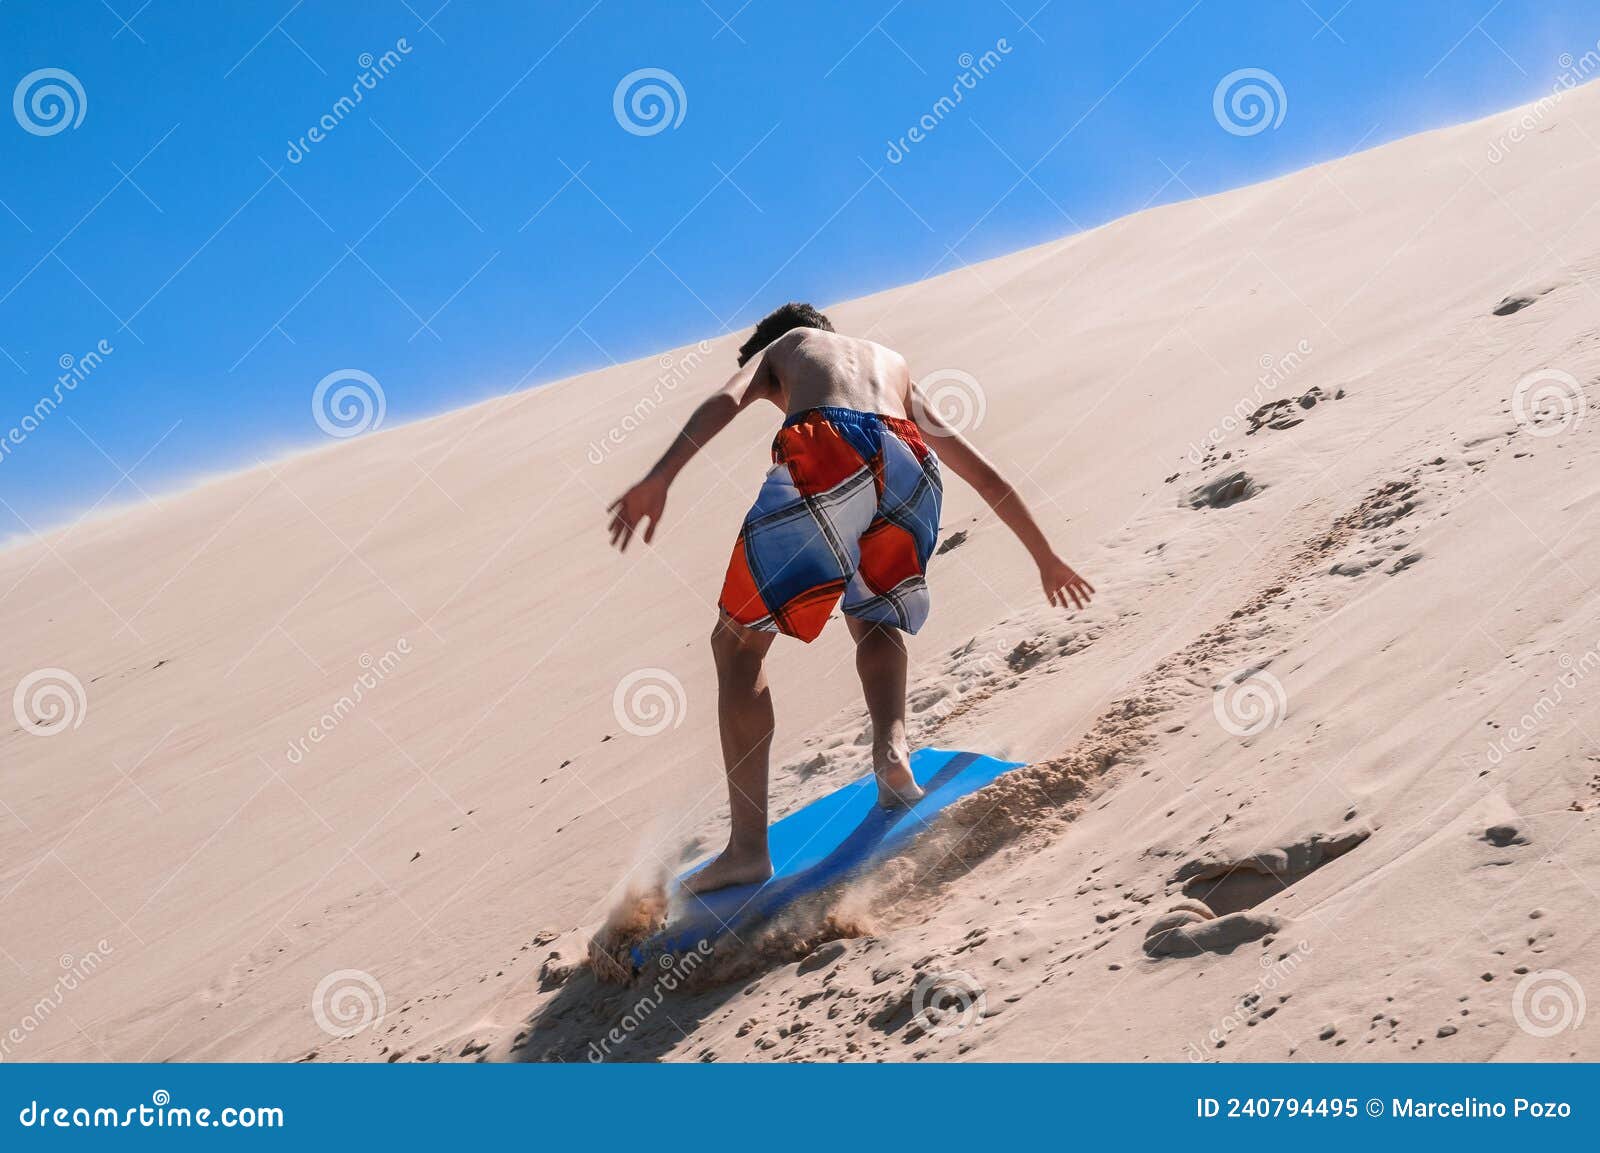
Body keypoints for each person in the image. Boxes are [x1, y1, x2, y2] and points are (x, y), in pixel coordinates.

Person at [607, 303, 1094, 894]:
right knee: (875, 617)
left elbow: (724, 402)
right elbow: (983, 473)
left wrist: (661, 475)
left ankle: (746, 851)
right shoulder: (891, 365)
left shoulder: (783, 346)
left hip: (829, 447)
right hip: (912, 460)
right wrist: (1046, 557)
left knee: (737, 645)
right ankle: (892, 758)